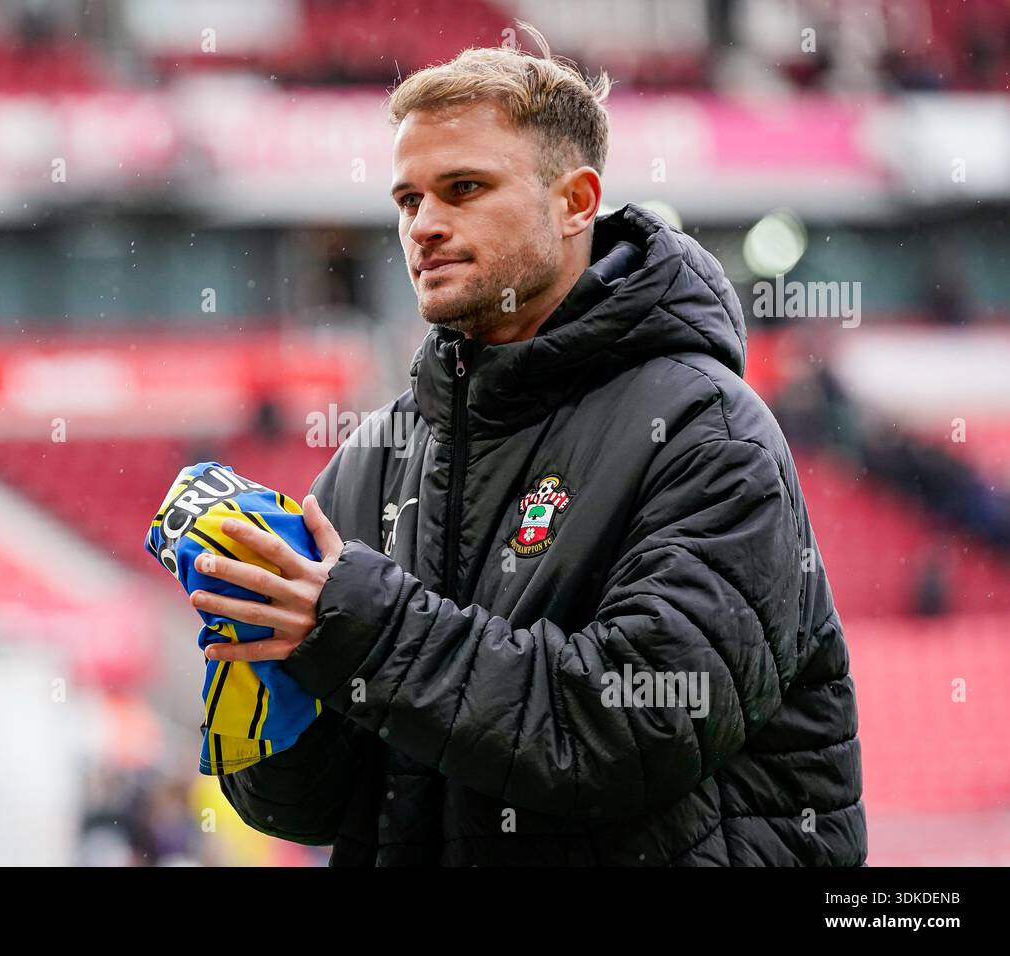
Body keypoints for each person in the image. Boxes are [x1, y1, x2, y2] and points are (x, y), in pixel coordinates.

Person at [191, 24, 867, 866]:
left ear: (577, 202)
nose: (424, 226)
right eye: (408, 201)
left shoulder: (708, 432)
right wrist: (268, 673)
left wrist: (359, 629)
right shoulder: (381, 451)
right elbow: (316, 810)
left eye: (463, 188)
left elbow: (632, 731)